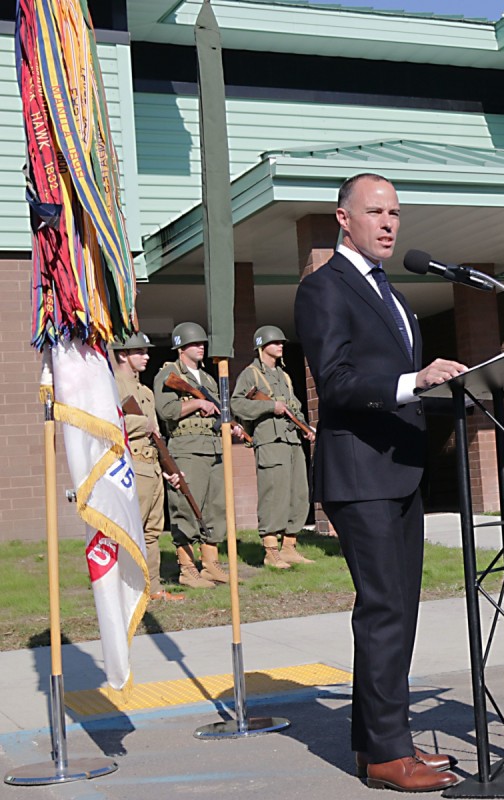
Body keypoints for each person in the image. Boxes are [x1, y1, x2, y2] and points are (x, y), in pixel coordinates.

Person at [293, 173, 465, 792]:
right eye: (375, 212)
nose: (389, 223)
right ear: (344, 218)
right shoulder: (323, 288)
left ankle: (381, 743)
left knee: (400, 609)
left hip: (401, 470)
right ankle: (388, 755)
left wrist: (441, 388)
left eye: (394, 212)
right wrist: (414, 381)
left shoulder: (392, 292)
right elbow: (335, 381)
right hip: (360, 472)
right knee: (384, 607)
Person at [231, 325, 316, 570]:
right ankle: (271, 551)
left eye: (281, 342)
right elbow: (237, 404)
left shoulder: (284, 376)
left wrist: (305, 427)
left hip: (291, 440)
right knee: (273, 495)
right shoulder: (251, 374)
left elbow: (294, 406)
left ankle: (289, 547)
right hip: (270, 441)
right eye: (275, 342)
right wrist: (270, 407)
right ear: (262, 346)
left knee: (298, 493)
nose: (280, 345)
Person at [152, 322, 230, 588]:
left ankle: (210, 564)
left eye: (201, 343)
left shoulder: (207, 378)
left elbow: (217, 412)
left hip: (213, 447)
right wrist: (197, 402)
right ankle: (187, 569)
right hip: (186, 448)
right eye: (194, 343)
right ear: (180, 347)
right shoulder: (170, 374)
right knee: (186, 506)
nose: (200, 347)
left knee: (215, 507)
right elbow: (167, 411)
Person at [112, 332, 186, 600]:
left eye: (146, 351)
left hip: (151, 466)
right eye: (139, 352)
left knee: (152, 531)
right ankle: (125, 590)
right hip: (131, 465)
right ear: (123, 354)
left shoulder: (144, 391)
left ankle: (152, 588)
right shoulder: (113, 386)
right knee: (131, 530)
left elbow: (156, 436)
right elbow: (110, 423)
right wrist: (142, 424)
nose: (146, 356)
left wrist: (169, 469)